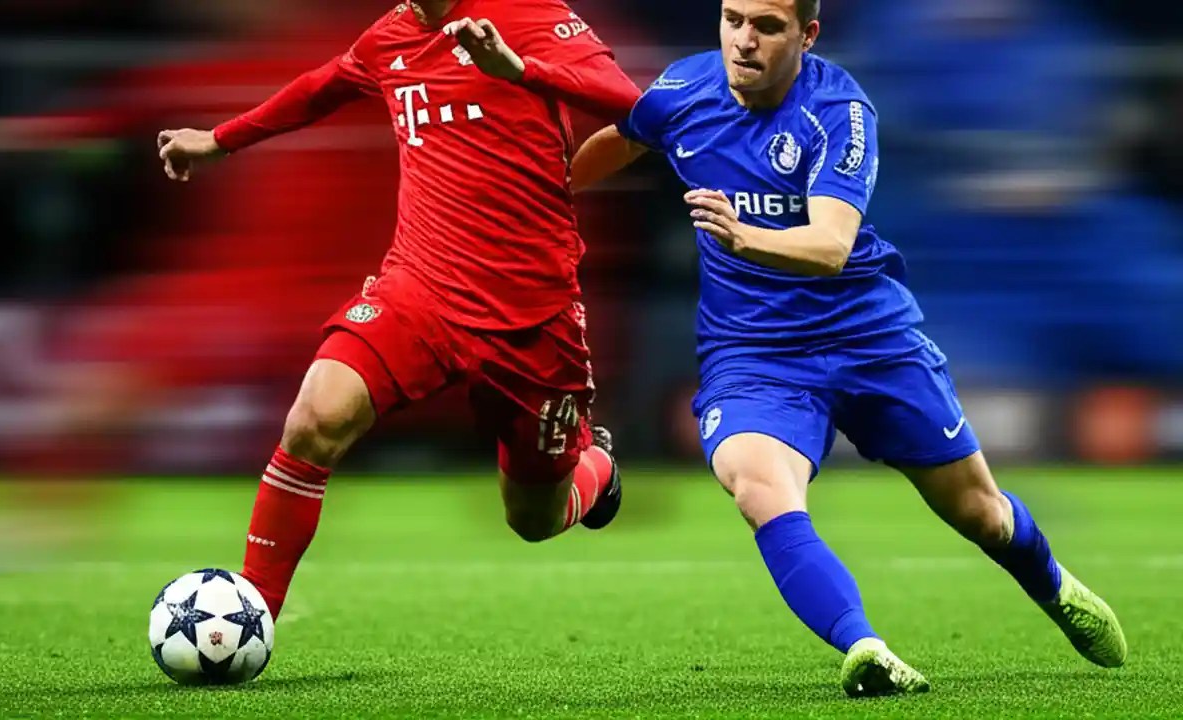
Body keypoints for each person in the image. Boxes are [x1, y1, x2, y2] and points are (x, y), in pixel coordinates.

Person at [570, 0, 1126, 697]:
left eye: (766, 26)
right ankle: (865, 648)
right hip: (754, 353)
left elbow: (830, 246)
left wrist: (742, 235)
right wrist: (549, 196)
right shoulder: (683, 88)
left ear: (807, 35)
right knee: (758, 487)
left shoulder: (839, 110)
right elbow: (624, 137)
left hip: (866, 337)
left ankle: (1052, 585)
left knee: (979, 512)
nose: (744, 40)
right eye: (733, 19)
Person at [156, 0, 641, 621]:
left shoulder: (531, 15)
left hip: (531, 313)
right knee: (315, 418)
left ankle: (596, 467)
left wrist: (522, 73)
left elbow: (638, 111)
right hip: (419, 290)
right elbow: (318, 89)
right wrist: (220, 140)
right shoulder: (390, 36)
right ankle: (251, 615)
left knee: (533, 518)